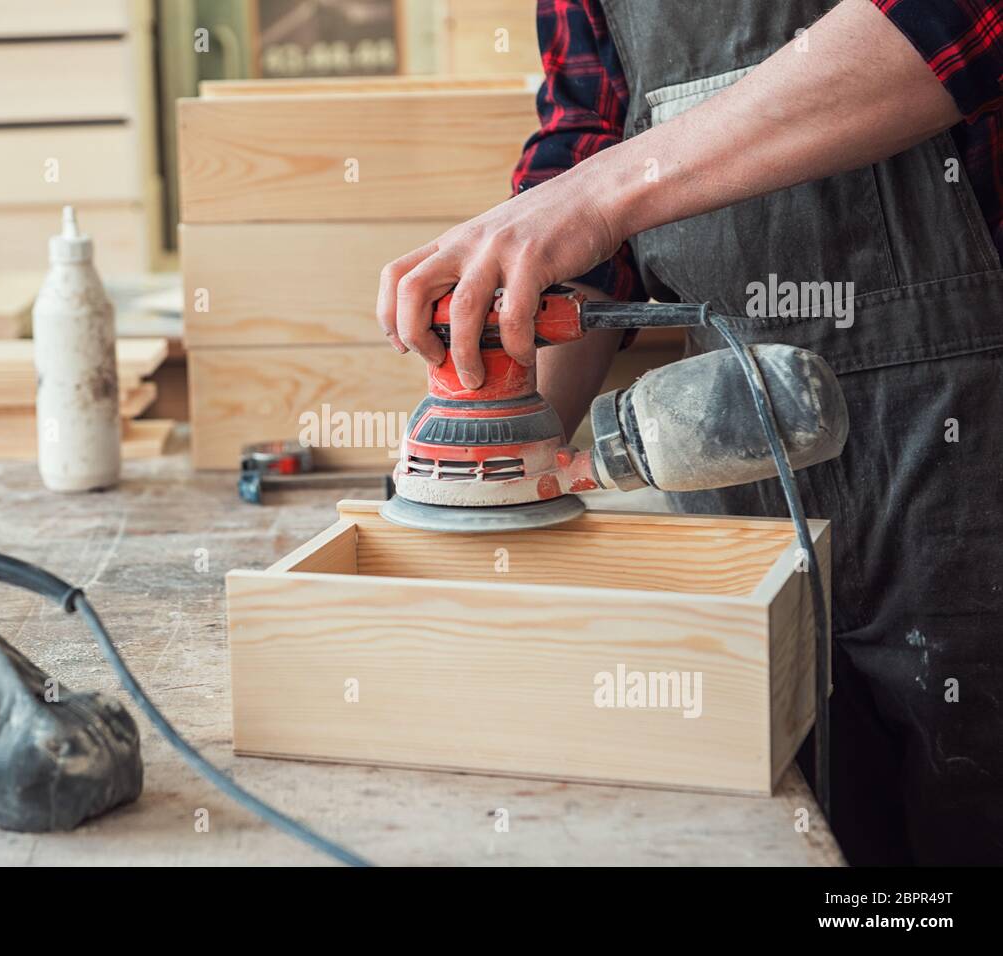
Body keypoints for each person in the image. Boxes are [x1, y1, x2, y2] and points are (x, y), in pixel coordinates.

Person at [377, 0, 1003, 865]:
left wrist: (596, 197)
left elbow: (959, 22)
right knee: (801, 828)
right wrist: (507, 430)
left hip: (968, 438)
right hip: (724, 427)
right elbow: (583, 153)